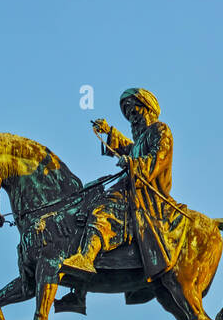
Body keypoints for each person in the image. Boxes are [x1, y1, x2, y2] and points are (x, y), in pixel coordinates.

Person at [60, 87, 188, 283]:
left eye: (133, 110)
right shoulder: (142, 139)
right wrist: (109, 132)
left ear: (145, 108)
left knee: (106, 207)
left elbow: (158, 158)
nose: (131, 117)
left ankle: (86, 258)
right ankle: (77, 287)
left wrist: (132, 163)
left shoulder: (160, 130)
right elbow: (130, 148)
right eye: (128, 113)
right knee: (91, 191)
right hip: (132, 186)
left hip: (146, 192)